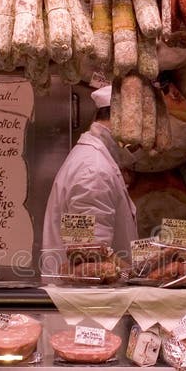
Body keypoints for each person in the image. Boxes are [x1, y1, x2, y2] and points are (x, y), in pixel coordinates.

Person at [41, 84, 138, 274]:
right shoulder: (94, 171)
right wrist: (141, 275)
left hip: (91, 298)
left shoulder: (94, 159)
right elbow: (91, 258)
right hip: (89, 300)